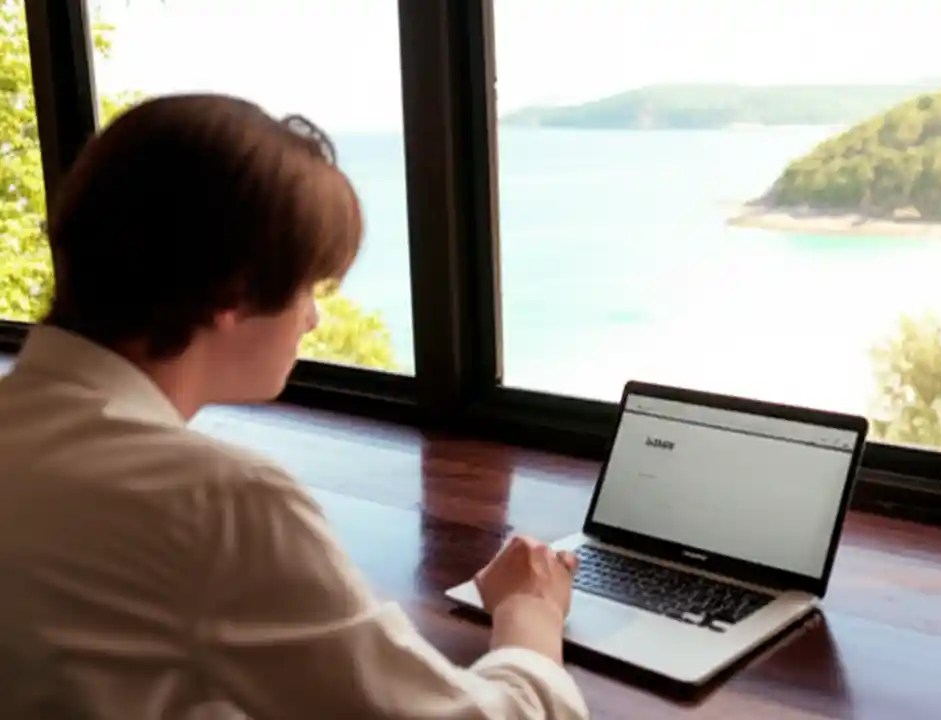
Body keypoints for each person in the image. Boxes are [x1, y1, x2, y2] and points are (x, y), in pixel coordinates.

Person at [0, 94, 586, 719]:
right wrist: (532, 615)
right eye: (309, 286)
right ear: (235, 292)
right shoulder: (218, 501)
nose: (311, 319)